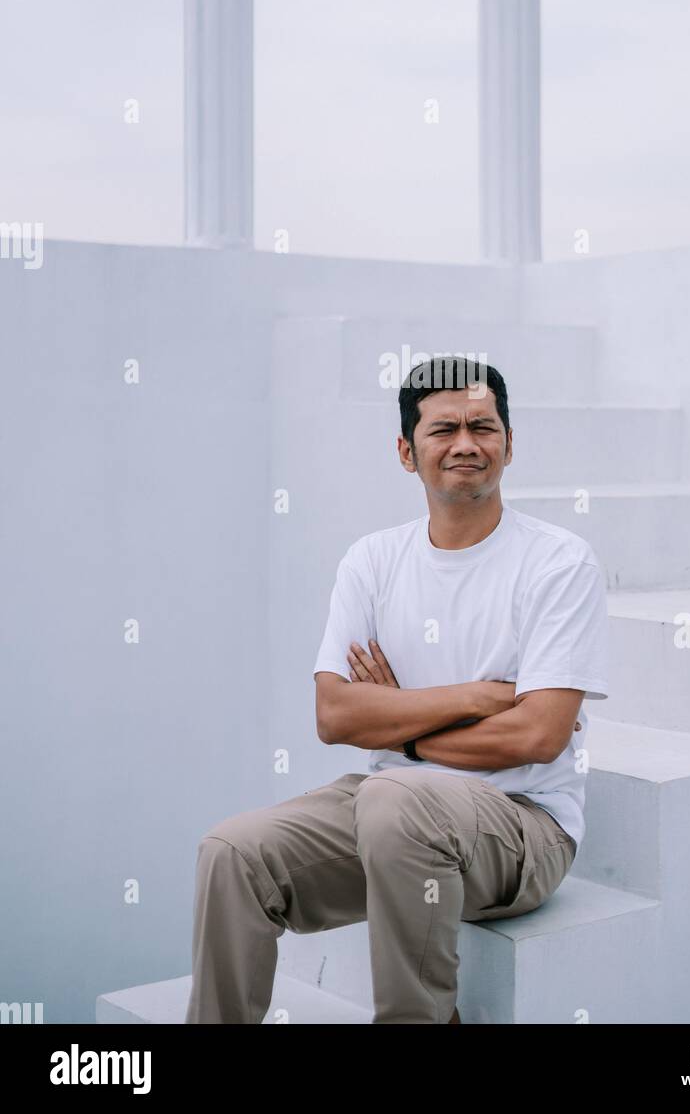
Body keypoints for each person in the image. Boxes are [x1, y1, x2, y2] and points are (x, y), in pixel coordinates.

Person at [185, 356, 609, 1024]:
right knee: (233, 853)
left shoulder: (558, 561)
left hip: (523, 828)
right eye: (444, 430)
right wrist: (477, 695)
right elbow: (335, 714)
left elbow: (538, 734)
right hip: (390, 821)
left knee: (392, 795)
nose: (466, 444)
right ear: (407, 452)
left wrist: (399, 721)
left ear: (508, 444)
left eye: (483, 427)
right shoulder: (374, 560)